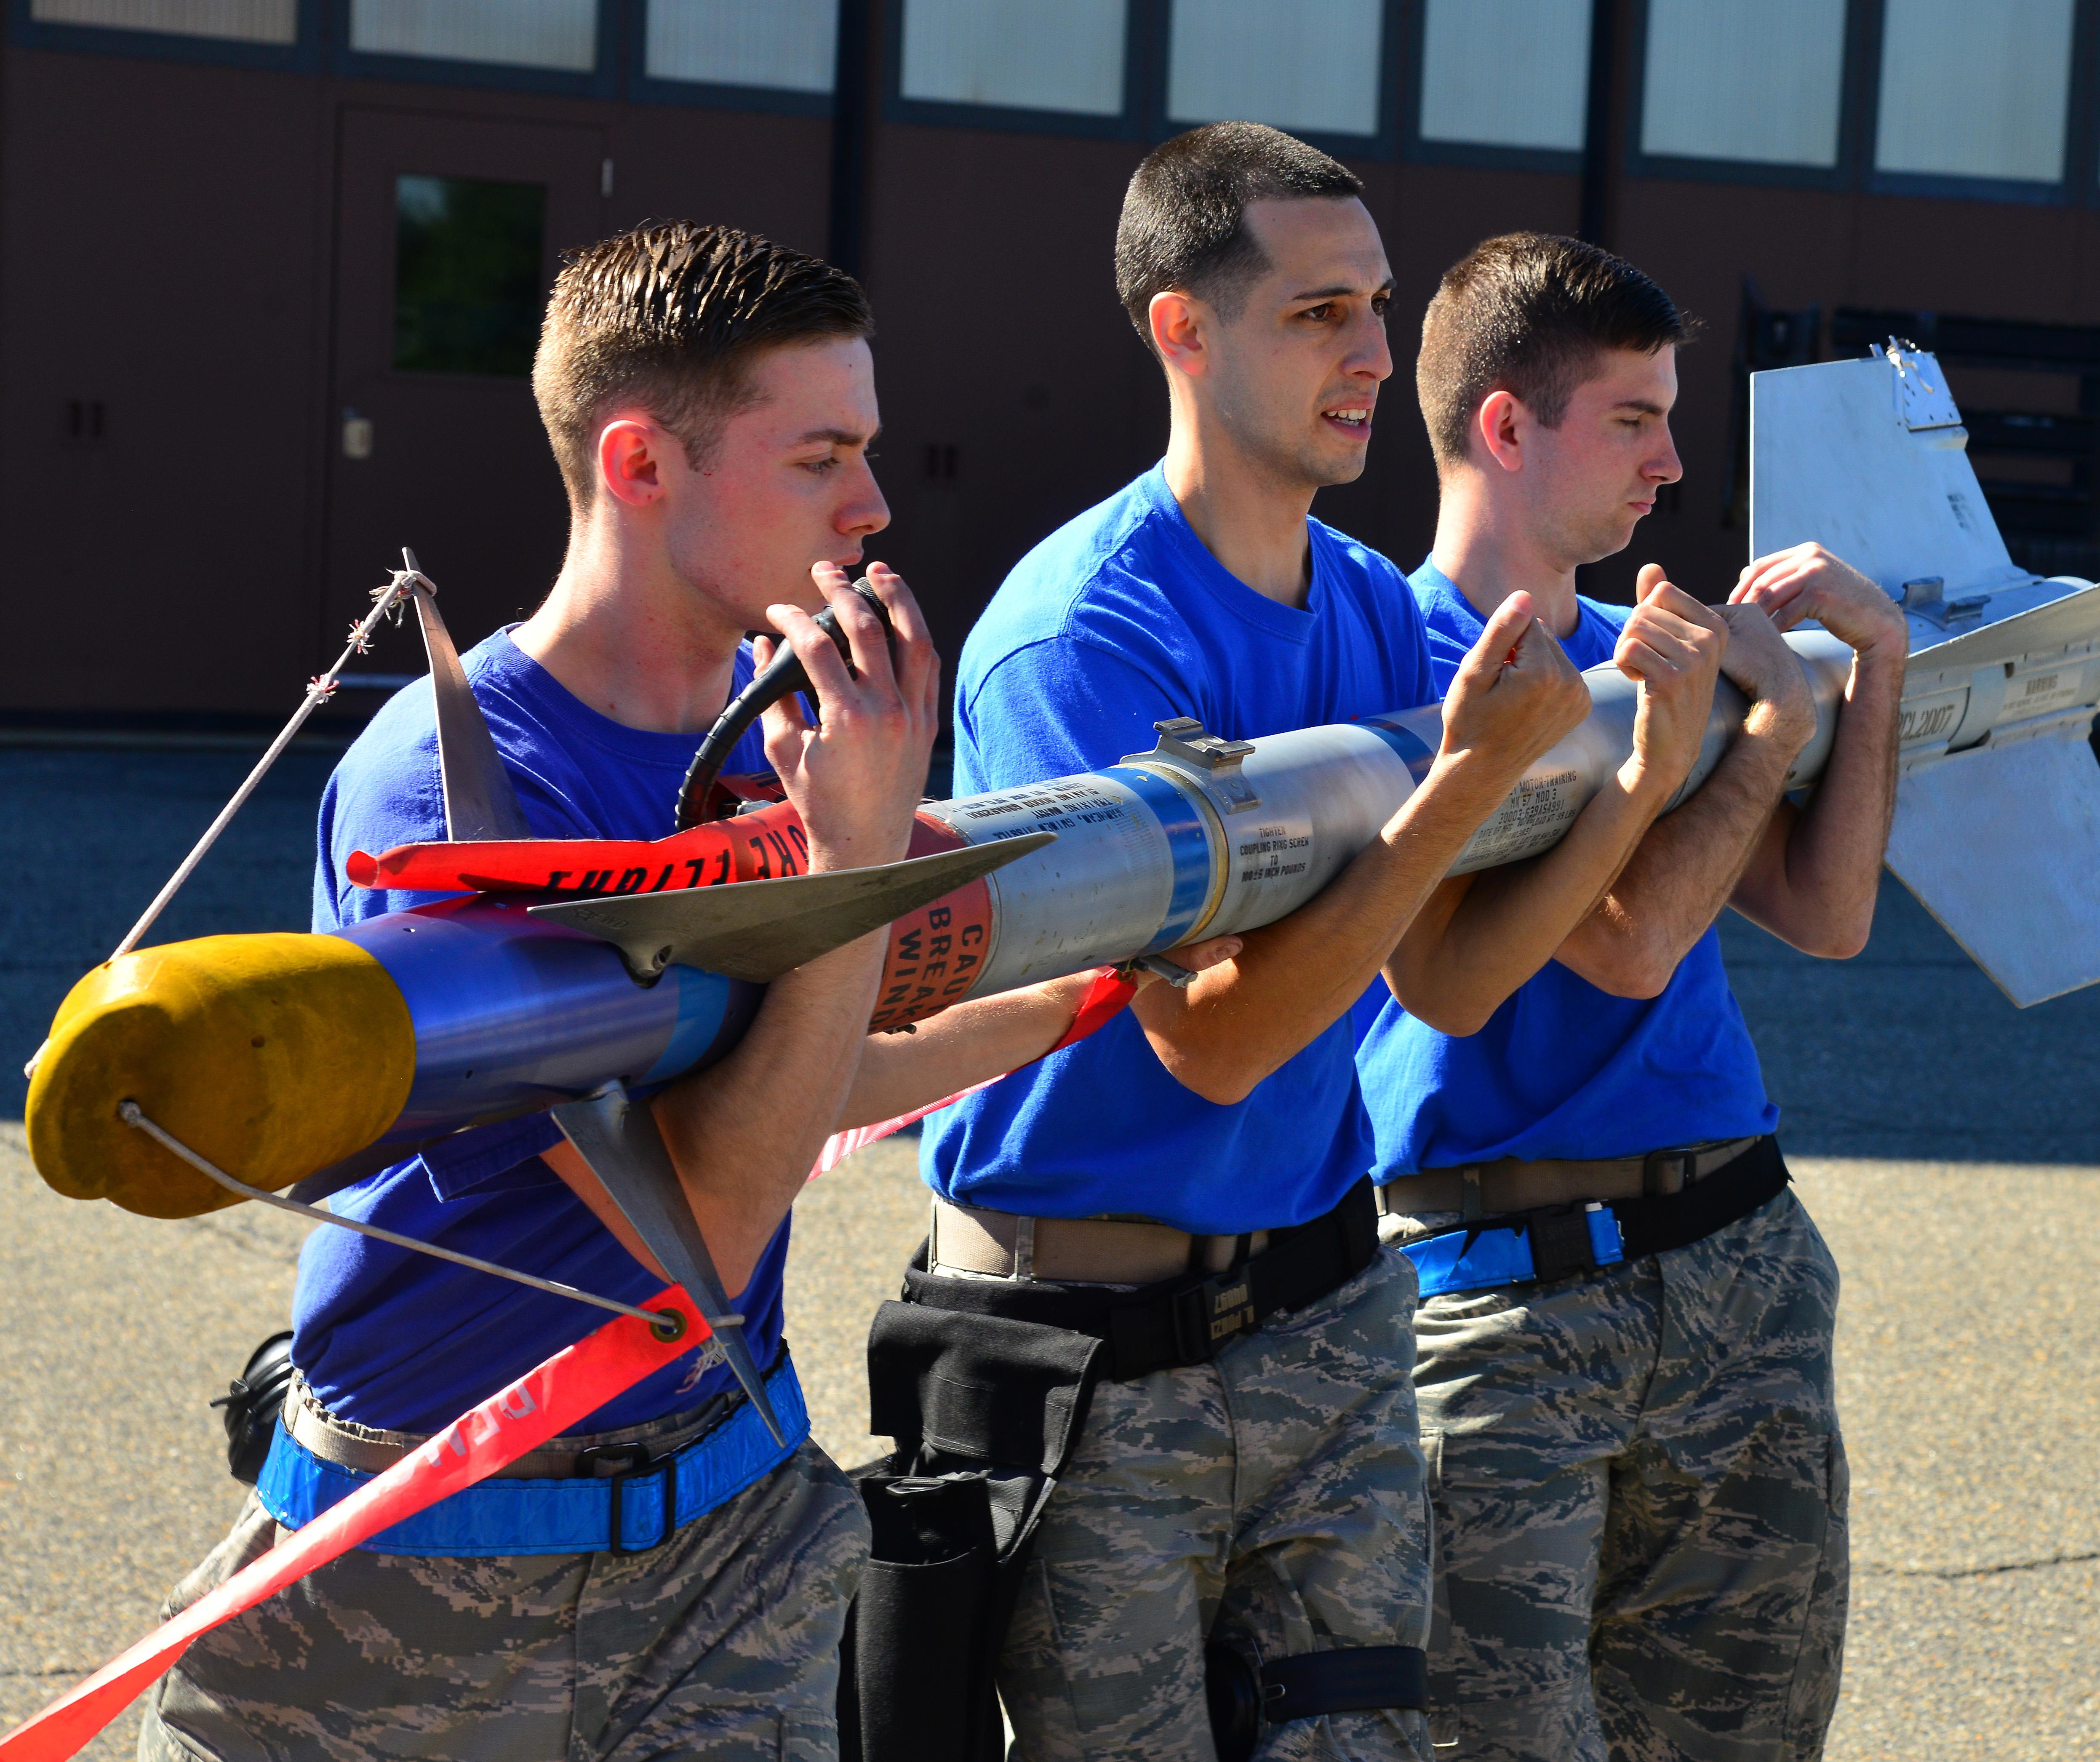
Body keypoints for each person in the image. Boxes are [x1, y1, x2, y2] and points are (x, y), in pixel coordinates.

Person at [138, 222, 1186, 1762]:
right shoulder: (459, 789)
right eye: (821, 455)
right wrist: (849, 866)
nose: (876, 504)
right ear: (640, 465)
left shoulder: (782, 751)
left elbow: (772, 1071)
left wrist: (1080, 999)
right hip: (427, 1569)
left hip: (729, 1531)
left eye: (869, 450)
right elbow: (699, 1218)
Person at [881, 125, 1716, 1762]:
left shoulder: (1364, 604)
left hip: (1323, 1314)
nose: (1370, 354)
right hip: (1089, 1357)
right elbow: (1213, 1040)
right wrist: (1463, 780)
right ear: (1181, 329)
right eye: (1317, 311)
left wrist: (1638, 776)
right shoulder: (1084, 637)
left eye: (1378, 307)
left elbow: (1452, 977)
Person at [1358, 233, 1909, 1762]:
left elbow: (1831, 910)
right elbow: (1625, 945)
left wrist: (1874, 672)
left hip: (1737, 1259)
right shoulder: (1399, 669)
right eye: (1634, 419)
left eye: (1674, 419)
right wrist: (1749, 730)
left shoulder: (1636, 652)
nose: (1674, 464)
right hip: (1502, 1304)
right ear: (1506, 427)